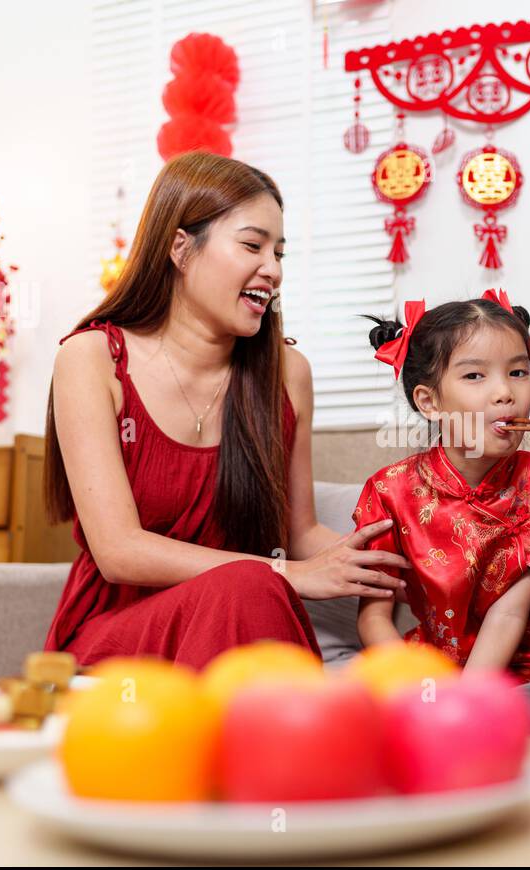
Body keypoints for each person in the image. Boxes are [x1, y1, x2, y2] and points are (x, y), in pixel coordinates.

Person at [42, 151, 411, 669]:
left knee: (246, 589)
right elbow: (118, 550)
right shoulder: (92, 358)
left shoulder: (288, 373)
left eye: (280, 253)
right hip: (120, 636)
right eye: (252, 246)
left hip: (239, 616)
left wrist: (404, 553)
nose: (274, 270)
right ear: (180, 248)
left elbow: (300, 533)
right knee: (247, 586)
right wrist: (289, 576)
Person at [351, 290, 530, 682]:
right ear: (429, 402)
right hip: (424, 669)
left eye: (518, 372)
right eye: (475, 375)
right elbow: (373, 617)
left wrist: (462, 704)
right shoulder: (389, 491)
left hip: (524, 671)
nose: (505, 392)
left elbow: (509, 611)